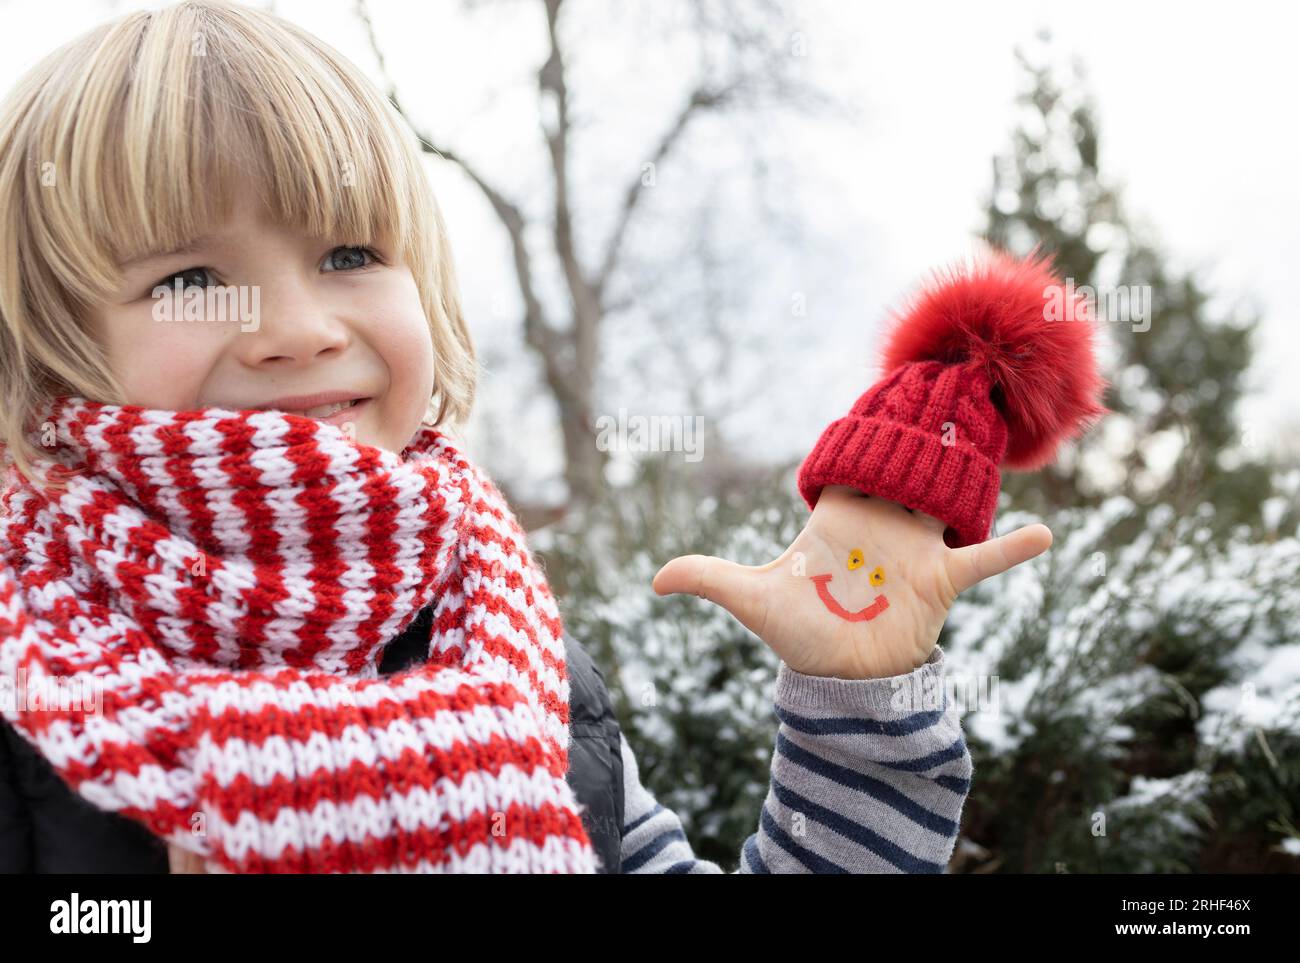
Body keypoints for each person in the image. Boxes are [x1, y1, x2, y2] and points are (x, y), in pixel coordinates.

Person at [0, 1, 1105, 873]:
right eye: (189, 278)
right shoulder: (30, 693)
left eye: (347, 255)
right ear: (47, 343)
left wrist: (856, 704)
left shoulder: (508, 662)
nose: (298, 329)